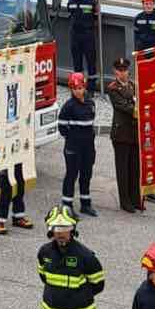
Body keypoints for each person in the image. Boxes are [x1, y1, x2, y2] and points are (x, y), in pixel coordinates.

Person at [59, 71, 96, 218]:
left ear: (85, 87)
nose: (78, 91)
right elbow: (62, 127)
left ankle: (85, 204)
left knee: (86, 174)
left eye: (80, 88)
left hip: (88, 147)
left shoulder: (90, 103)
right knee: (71, 175)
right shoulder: (68, 107)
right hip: (73, 147)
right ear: (71, 89)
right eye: (75, 89)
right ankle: (67, 205)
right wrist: (73, 139)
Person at [107, 57, 142, 212]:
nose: (123, 73)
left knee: (135, 168)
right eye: (120, 71)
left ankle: (135, 199)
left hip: (134, 133)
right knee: (123, 169)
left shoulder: (134, 85)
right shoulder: (113, 88)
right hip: (121, 134)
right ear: (115, 72)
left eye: (125, 70)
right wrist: (139, 109)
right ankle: (125, 201)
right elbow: (124, 106)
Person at [64, 0, 98, 91]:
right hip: (75, 36)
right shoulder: (71, 2)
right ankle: (78, 86)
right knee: (77, 63)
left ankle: (91, 88)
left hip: (88, 36)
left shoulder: (91, 2)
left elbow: (96, 17)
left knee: (91, 62)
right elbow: (70, 13)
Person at [0, 163, 32, 234]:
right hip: (5, 158)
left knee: (20, 185)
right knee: (6, 190)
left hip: (17, 155)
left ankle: (18, 217)